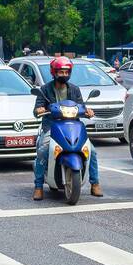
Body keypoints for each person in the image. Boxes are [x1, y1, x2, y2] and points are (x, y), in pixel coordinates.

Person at [31, 56, 101, 201]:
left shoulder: (74, 89)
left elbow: (81, 106)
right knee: (43, 151)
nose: (64, 75)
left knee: (91, 151)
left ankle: (95, 183)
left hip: (73, 125)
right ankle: (38, 186)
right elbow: (37, 108)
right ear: (54, 72)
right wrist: (39, 109)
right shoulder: (45, 89)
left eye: (66, 72)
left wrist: (87, 111)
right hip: (52, 125)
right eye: (60, 72)